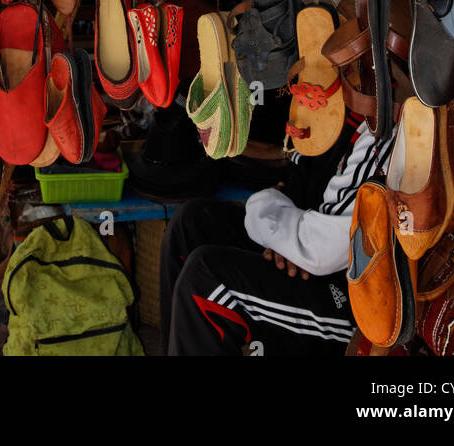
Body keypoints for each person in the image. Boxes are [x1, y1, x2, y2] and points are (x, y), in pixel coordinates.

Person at [159, 115, 393, 356]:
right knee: (192, 222)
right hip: (306, 254)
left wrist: (283, 231)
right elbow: (291, 192)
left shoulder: (382, 132)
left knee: (205, 276)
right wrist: (283, 235)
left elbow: (321, 250)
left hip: (349, 303)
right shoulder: (335, 117)